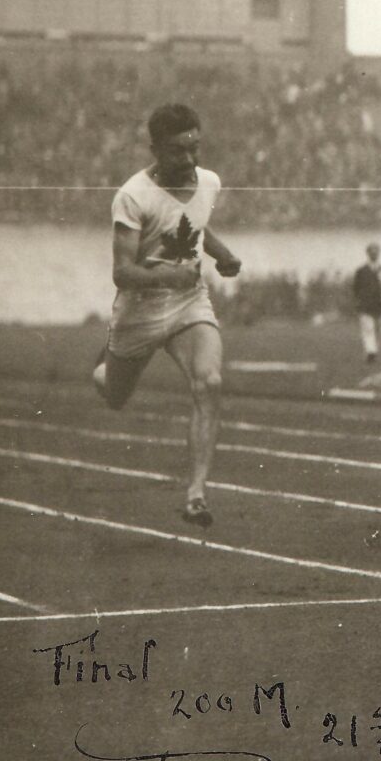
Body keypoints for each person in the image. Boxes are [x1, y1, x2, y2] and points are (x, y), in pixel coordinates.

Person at [89, 103, 244, 526]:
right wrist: (171, 277)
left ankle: (196, 494)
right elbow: (122, 272)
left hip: (188, 305)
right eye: (178, 151)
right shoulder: (133, 196)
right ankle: (102, 367)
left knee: (209, 382)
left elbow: (192, 224)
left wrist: (223, 254)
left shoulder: (209, 182)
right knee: (114, 395)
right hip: (138, 315)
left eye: (195, 148)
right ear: (155, 148)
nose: (190, 160)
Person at [352, 243, 381, 367]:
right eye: (372, 251)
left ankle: (373, 350)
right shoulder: (361, 271)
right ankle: (371, 352)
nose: (374, 254)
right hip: (365, 304)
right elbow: (356, 288)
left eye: (376, 251)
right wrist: (359, 300)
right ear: (368, 253)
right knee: (368, 328)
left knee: (376, 328)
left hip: (378, 304)